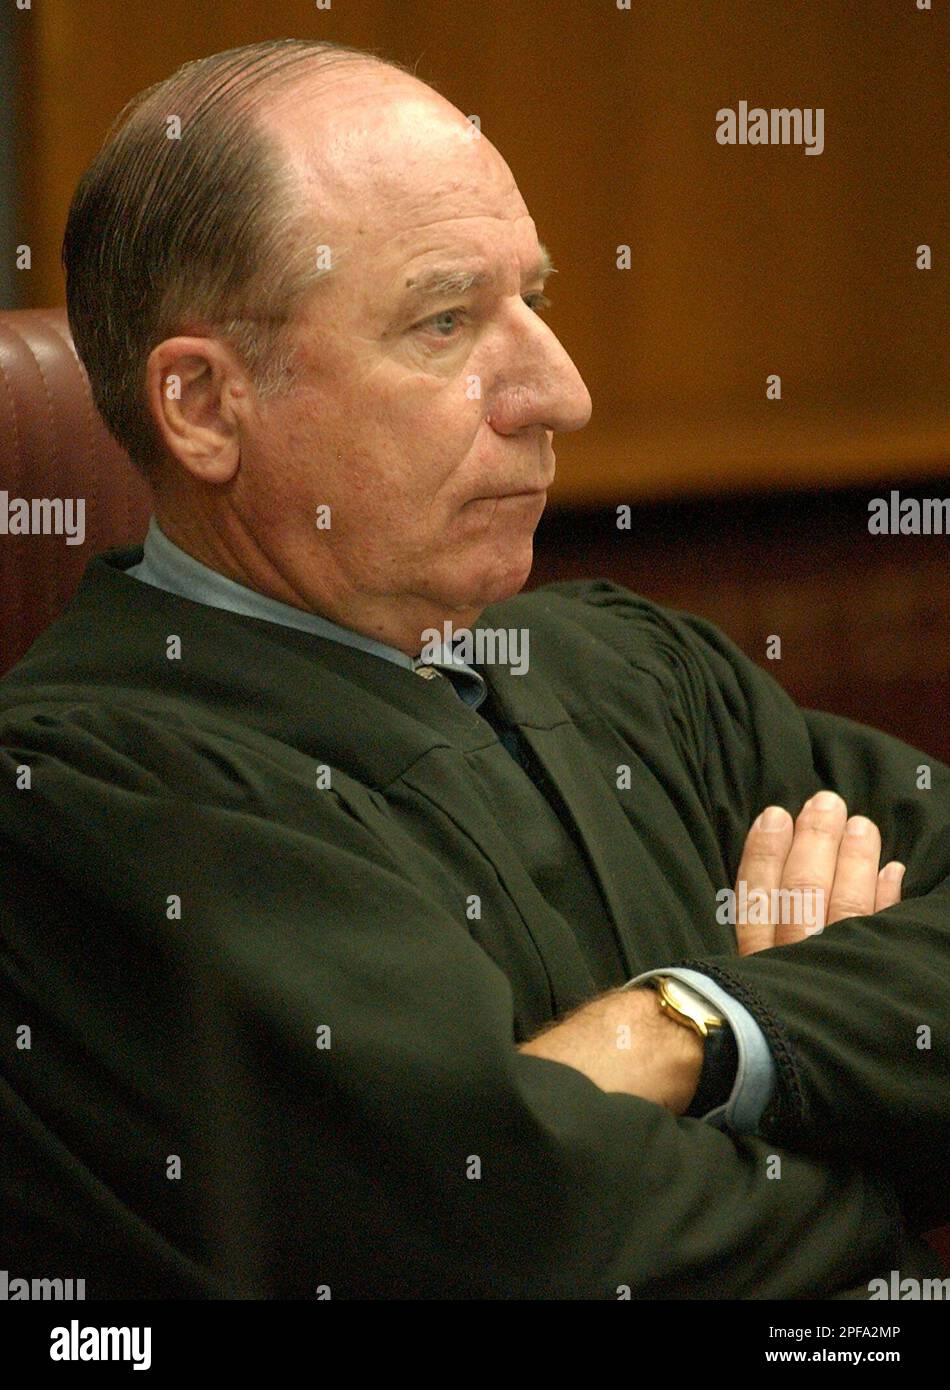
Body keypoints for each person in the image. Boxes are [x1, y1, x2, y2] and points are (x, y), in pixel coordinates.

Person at [0, 38, 946, 1300]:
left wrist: (689, 1028)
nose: (559, 391)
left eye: (535, 301)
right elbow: (521, 1250)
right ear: (204, 407)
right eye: (445, 322)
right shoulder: (81, 801)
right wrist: (873, 1110)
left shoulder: (639, 671)